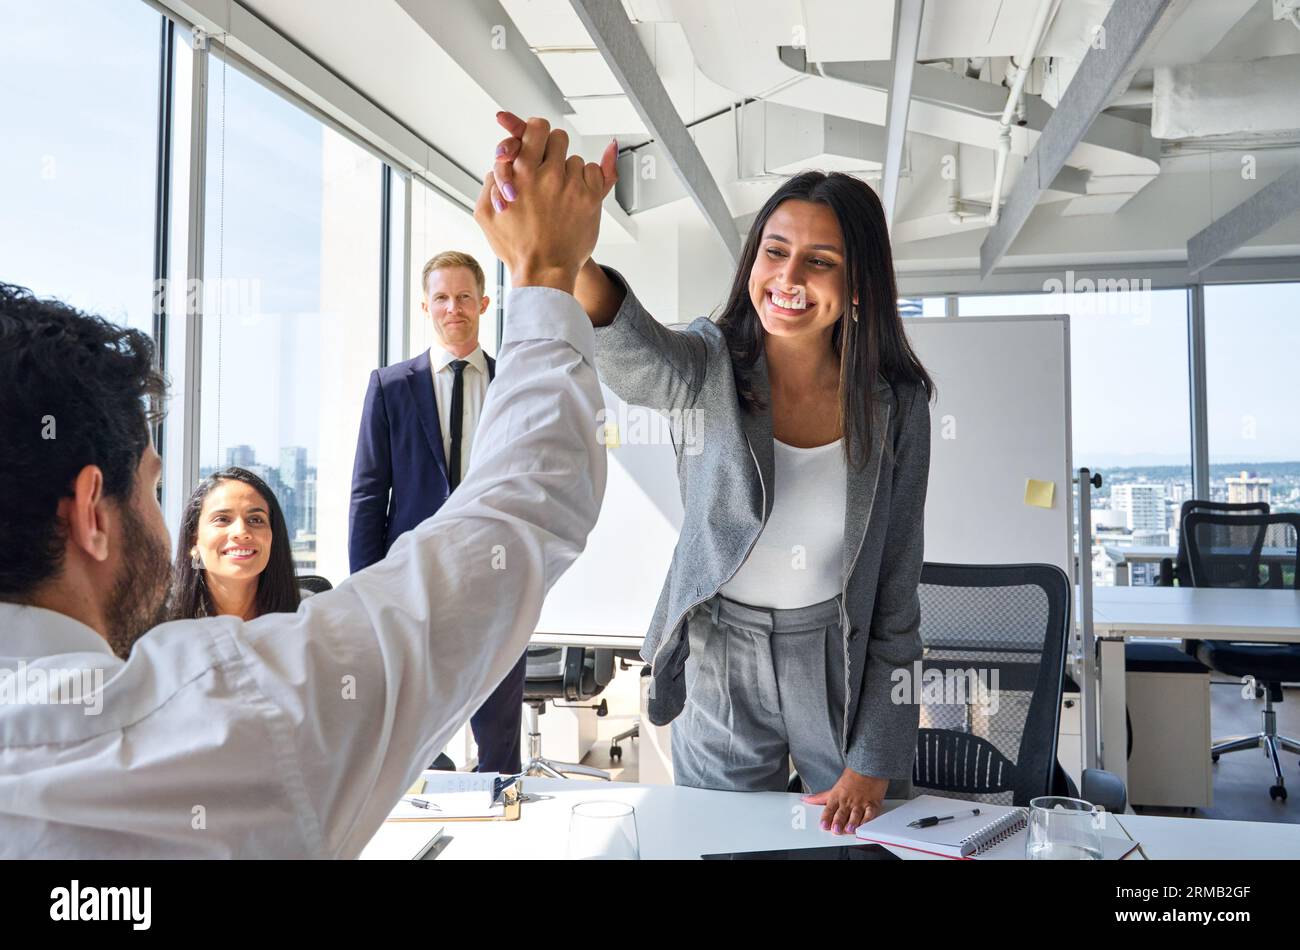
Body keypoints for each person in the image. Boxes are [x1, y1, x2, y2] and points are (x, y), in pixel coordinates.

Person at [0, 114, 610, 857]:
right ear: (94, 513)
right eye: (154, 492)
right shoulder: (221, 719)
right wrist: (545, 271)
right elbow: (515, 510)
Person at [490, 112, 934, 836]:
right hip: (722, 652)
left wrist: (875, 757)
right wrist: (568, 254)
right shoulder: (711, 364)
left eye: (819, 261)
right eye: (775, 251)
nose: (788, 277)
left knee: (870, 841)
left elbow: (897, 591)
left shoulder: (898, 405)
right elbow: (636, 357)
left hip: (839, 656)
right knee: (718, 841)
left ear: (858, 286)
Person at [348, 251, 522, 773]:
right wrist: (368, 589)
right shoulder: (391, 386)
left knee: (498, 733)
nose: (454, 307)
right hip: (413, 578)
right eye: (442, 297)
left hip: (496, 576)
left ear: (485, 303)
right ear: (425, 306)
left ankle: (504, 829)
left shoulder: (511, 382)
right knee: (415, 722)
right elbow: (368, 494)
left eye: (464, 296)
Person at [169, 467, 301, 621]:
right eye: (222, 519)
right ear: (194, 538)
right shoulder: (157, 624)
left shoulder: (310, 620)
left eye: (256, 520)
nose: (241, 532)